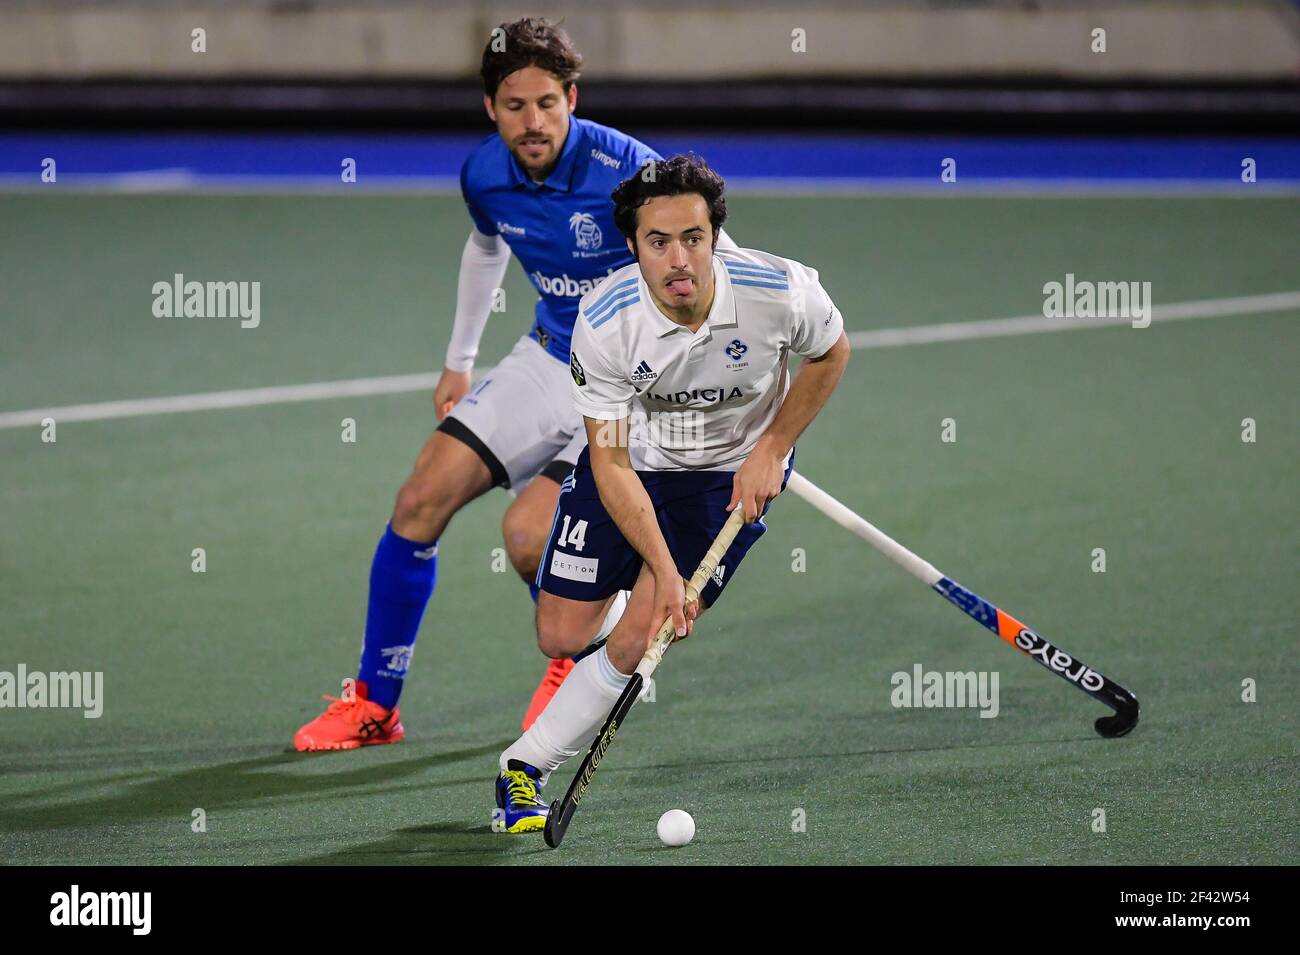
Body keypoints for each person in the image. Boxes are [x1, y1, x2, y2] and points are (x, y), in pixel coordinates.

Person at [294, 18, 680, 750]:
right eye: (514, 105)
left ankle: (584, 660)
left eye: (547, 103)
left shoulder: (633, 175)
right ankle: (376, 705)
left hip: (631, 385)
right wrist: (459, 357)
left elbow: (704, 273)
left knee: (529, 535)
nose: (532, 123)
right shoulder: (483, 173)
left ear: (573, 99)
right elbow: (485, 246)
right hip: (550, 355)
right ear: (490, 109)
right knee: (420, 496)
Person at [492, 154, 850, 831]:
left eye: (694, 236)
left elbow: (831, 353)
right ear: (633, 246)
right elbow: (612, 463)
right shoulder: (606, 321)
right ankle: (633, 623)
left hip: (726, 477)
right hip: (636, 462)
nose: (679, 257)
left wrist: (772, 448)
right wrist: (663, 569)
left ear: (715, 235)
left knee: (641, 634)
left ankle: (523, 766)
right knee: (559, 633)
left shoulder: (779, 290)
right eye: (659, 241)